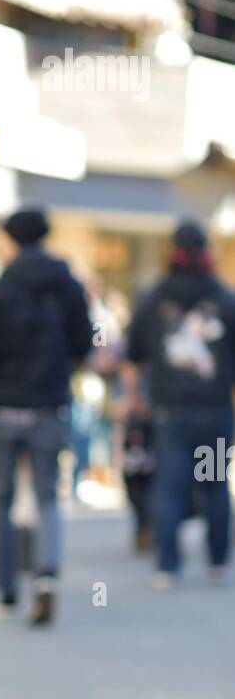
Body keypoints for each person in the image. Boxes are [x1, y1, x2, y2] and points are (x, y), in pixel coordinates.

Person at [0, 208, 93, 624]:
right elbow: (84, 343)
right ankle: (46, 577)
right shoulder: (67, 286)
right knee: (48, 494)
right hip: (50, 404)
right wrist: (60, 371)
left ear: (10, 240)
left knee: (1, 496)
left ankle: (6, 589)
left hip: (4, 405)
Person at [121, 220, 235, 587]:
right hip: (216, 409)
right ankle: (217, 559)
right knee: (215, 483)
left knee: (167, 487)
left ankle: (167, 564)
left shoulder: (154, 298)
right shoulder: (224, 298)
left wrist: (135, 397)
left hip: (170, 412)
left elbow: (133, 354)